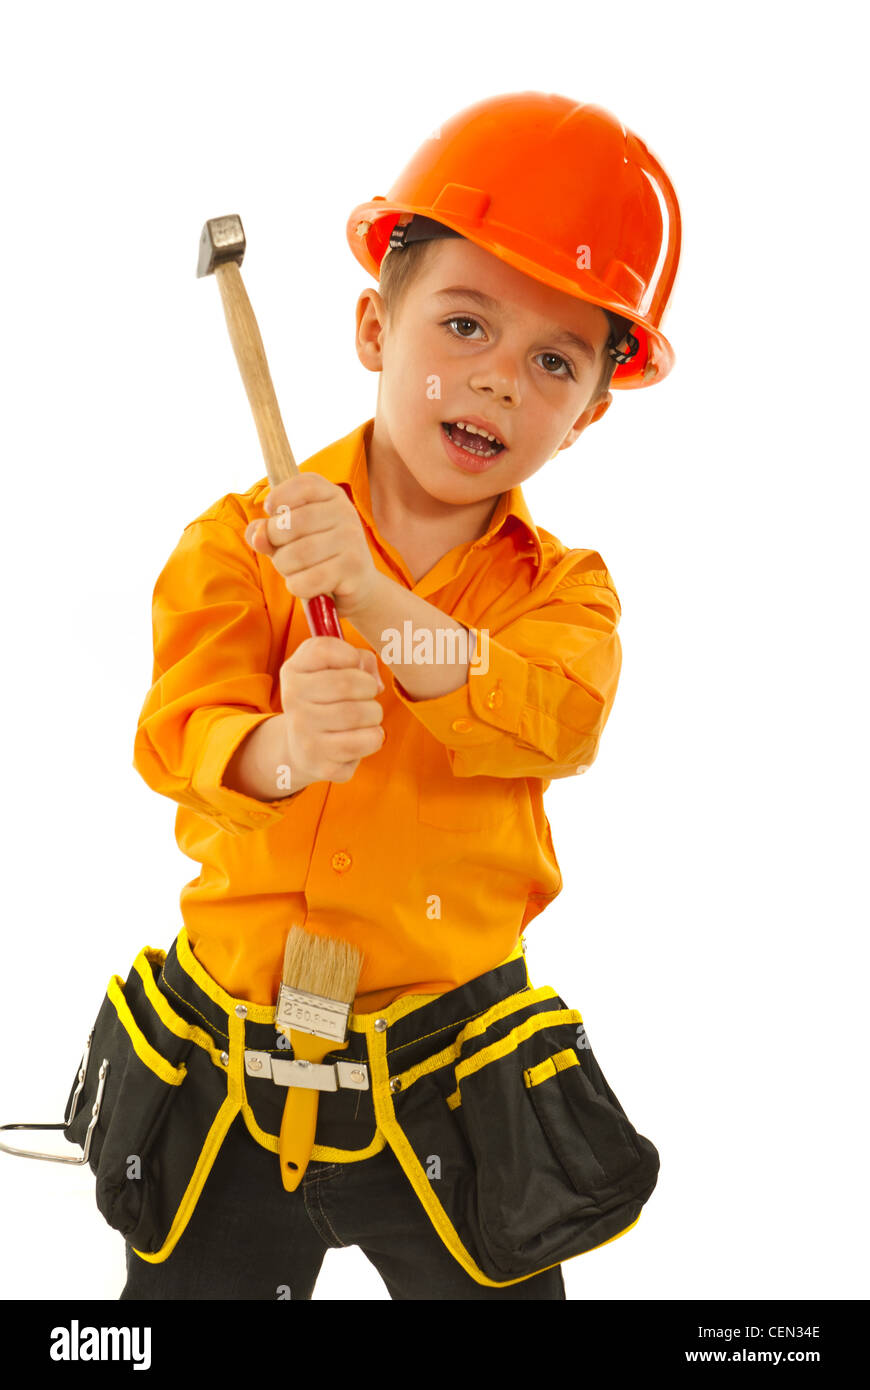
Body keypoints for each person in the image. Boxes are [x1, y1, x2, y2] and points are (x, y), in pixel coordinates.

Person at [120, 92, 681, 1300]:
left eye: (552, 361)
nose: (497, 384)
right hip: (231, 1078)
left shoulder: (564, 595)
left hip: (455, 1085)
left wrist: (374, 599)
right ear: (376, 327)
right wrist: (276, 748)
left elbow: (556, 717)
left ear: (587, 413)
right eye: (465, 324)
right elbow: (177, 740)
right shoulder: (237, 542)